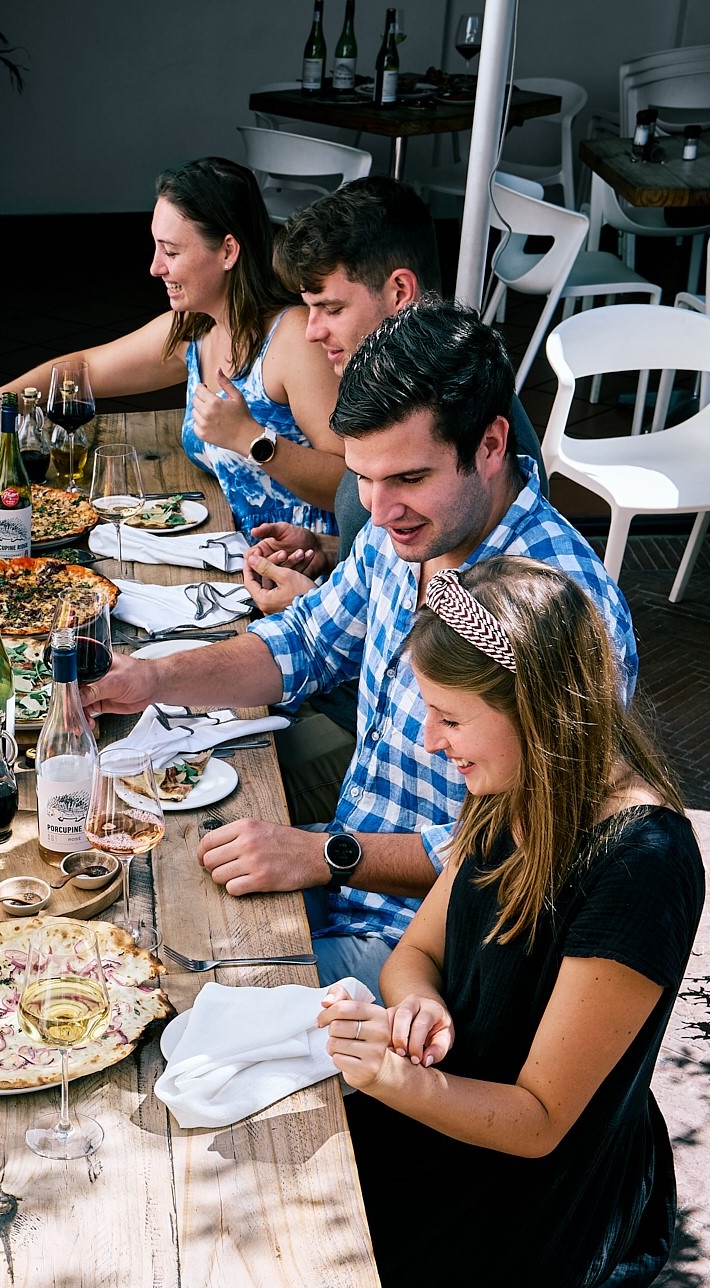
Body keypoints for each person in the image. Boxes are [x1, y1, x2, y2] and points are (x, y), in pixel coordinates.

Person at [83, 300, 637, 998]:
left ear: (491, 445)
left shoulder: (557, 604)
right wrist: (150, 679)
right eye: (362, 476)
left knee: (173, 1002)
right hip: (344, 882)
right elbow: (306, 641)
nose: (374, 510)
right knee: (138, 912)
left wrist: (322, 853)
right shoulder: (404, 528)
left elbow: (528, 847)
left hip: (438, 958)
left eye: (406, 478)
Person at [317, 557, 703, 1288]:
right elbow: (412, 957)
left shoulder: (641, 868)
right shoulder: (505, 791)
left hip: (530, 1199)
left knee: (307, 1263)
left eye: (449, 718)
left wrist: (394, 1081)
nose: (430, 740)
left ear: (537, 711)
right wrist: (420, 1008)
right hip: (447, 1106)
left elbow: (538, 1120)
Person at [246, 178, 547, 824]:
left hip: (377, 762)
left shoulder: (491, 491)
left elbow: (495, 830)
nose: (310, 331)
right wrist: (327, 550)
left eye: (327, 307)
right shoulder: (387, 436)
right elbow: (359, 592)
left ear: (400, 293)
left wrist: (330, 856)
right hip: (361, 757)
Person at [0, 157, 346, 534]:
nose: (156, 267)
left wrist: (251, 438)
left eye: (171, 251)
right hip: (227, 547)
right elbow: (83, 368)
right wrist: (0, 401)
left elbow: (351, 488)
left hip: (304, 570)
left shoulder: (294, 337)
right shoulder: (195, 330)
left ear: (228, 251)